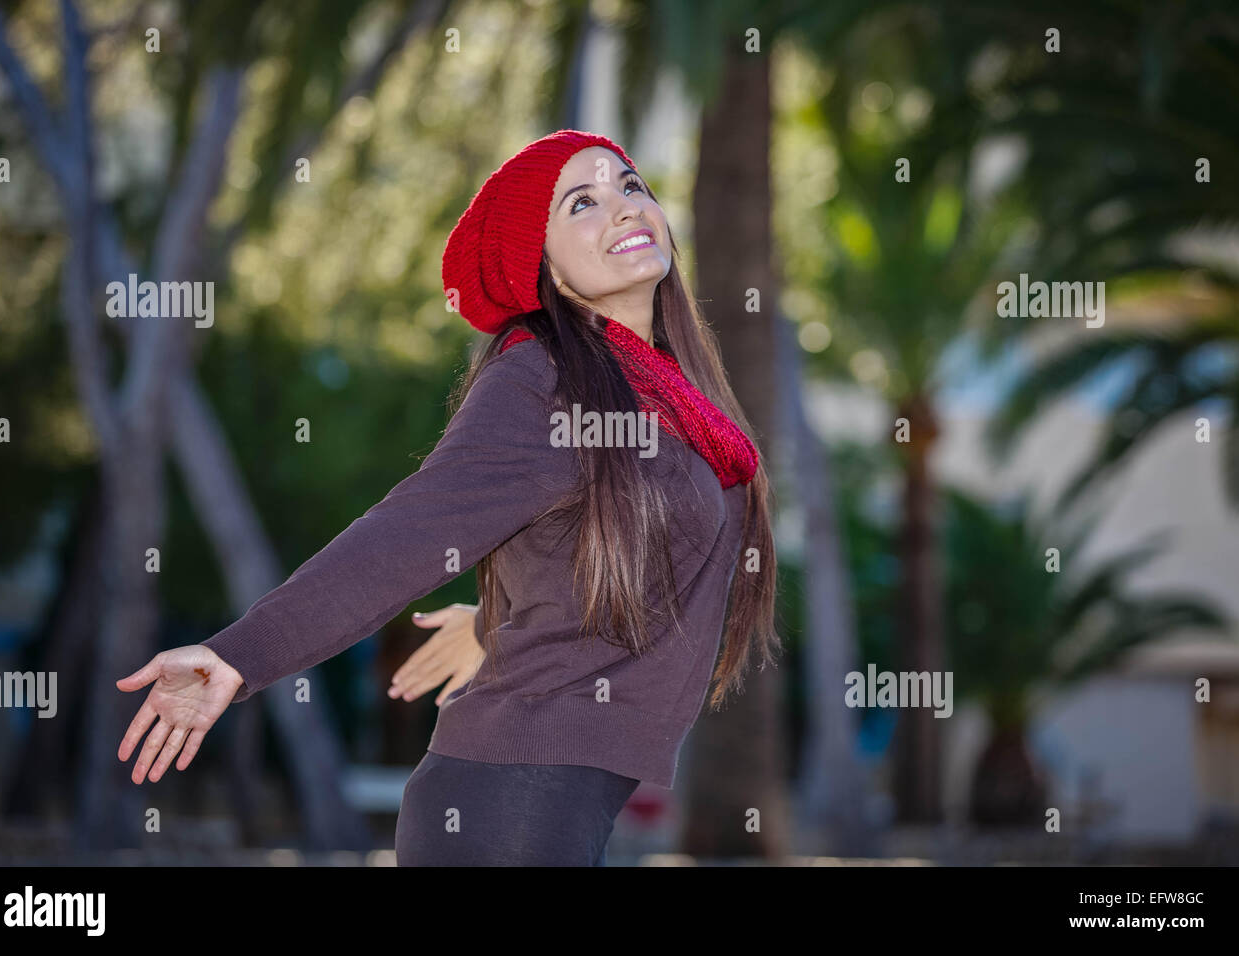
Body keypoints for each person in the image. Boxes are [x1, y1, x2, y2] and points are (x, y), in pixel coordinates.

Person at [116, 129, 779, 866]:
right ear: (545, 268)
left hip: (547, 806)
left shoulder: (668, 398)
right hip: (506, 811)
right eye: (582, 203)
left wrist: (505, 619)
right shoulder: (542, 383)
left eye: (630, 186)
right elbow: (403, 536)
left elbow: (623, 555)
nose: (623, 209)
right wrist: (238, 656)